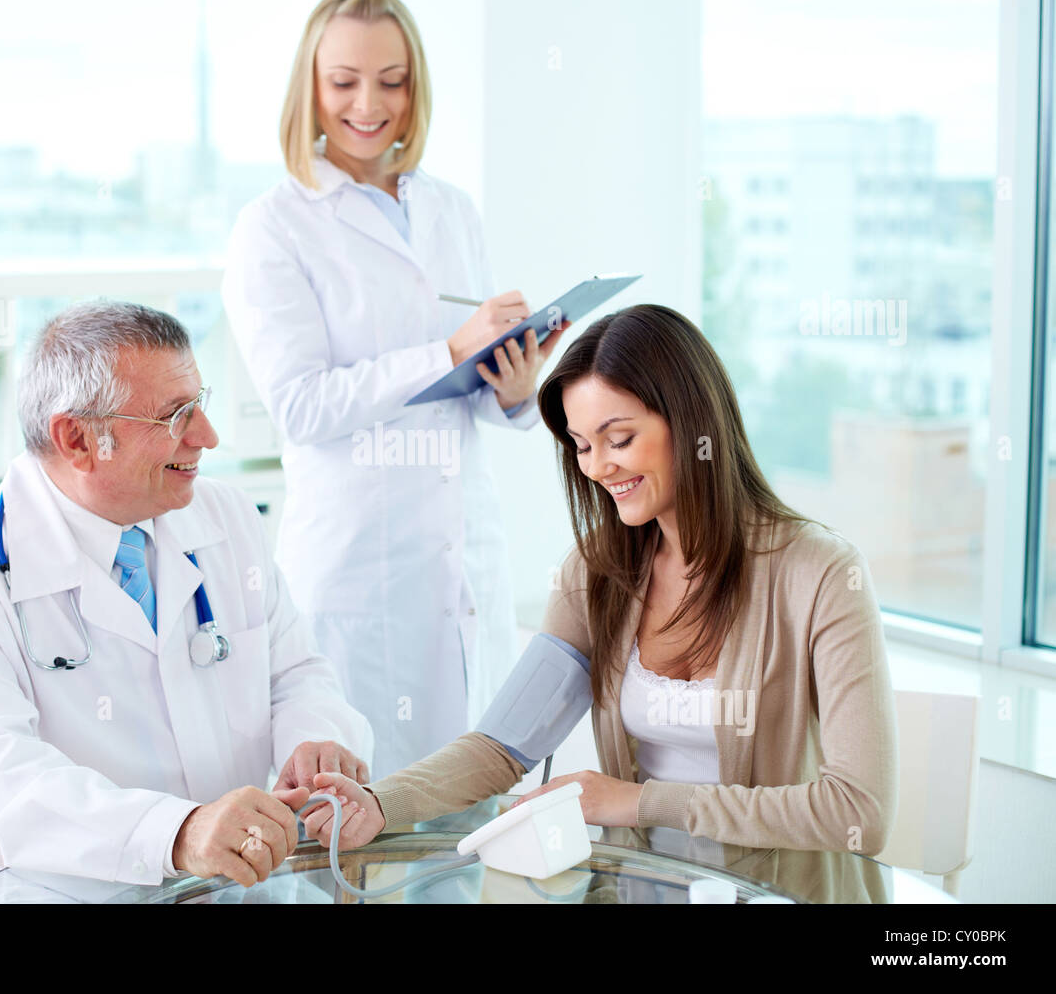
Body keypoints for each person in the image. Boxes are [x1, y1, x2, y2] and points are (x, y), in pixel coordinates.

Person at [300, 304, 899, 855]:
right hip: (644, 888)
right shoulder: (597, 574)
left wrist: (635, 802)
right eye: (582, 446)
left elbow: (858, 811)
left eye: (620, 439)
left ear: (693, 424)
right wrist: (381, 802)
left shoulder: (819, 573)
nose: (598, 467)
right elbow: (501, 747)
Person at [0, 301, 373, 901]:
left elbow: (297, 673)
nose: (207, 436)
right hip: (57, 889)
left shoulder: (222, 515)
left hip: (230, 880)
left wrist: (315, 739)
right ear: (76, 438)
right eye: (176, 416)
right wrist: (174, 832)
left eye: (200, 402)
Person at [221, 0, 564, 778]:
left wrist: (512, 384)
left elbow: (466, 393)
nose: (368, 106)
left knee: (464, 808)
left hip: (459, 554)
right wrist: (444, 346)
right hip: (354, 571)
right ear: (309, 86)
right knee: (338, 826)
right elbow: (302, 405)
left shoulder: (452, 211)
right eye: (343, 82)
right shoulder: (274, 227)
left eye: (392, 81)